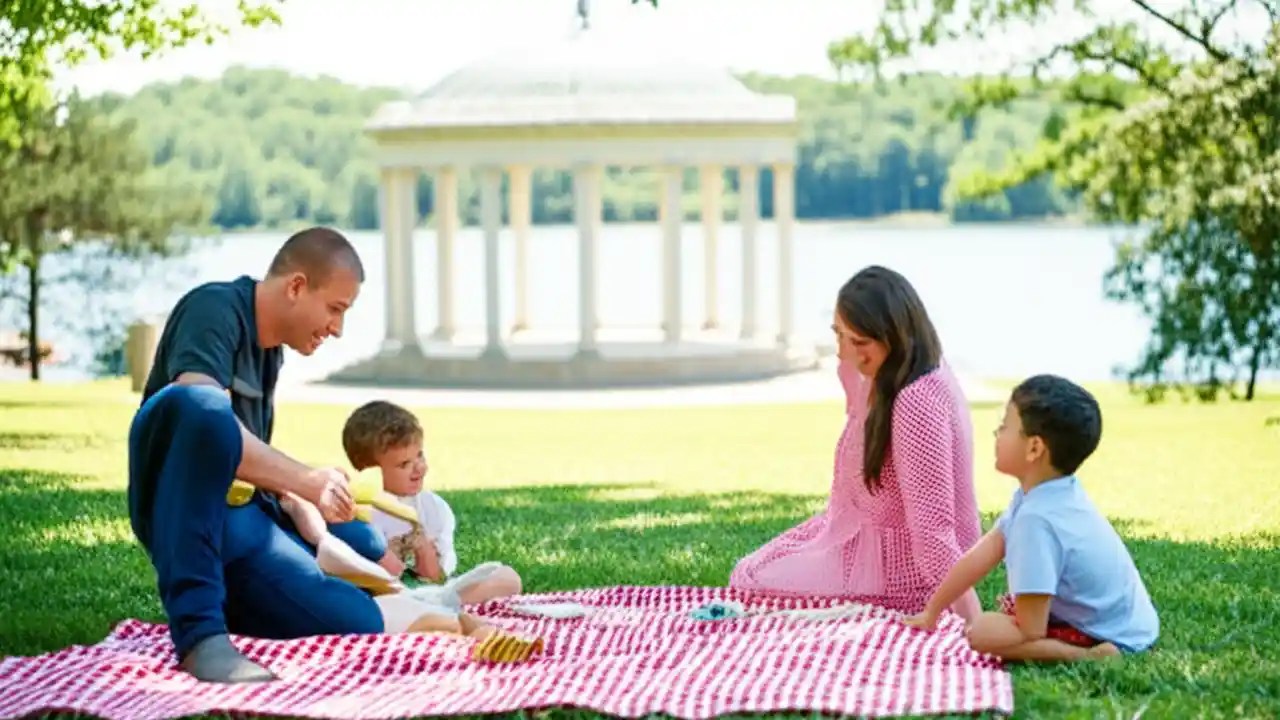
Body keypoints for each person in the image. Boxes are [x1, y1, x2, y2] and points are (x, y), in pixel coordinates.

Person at [127, 227, 386, 684]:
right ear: (296, 286)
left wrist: (297, 495)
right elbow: (205, 428)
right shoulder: (213, 308)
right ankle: (201, 637)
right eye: (335, 309)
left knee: (363, 545)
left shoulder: (270, 353)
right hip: (186, 505)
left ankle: (260, 592)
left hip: (245, 511)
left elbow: (245, 456)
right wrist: (304, 479)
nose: (338, 329)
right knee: (202, 405)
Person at [729, 265, 983, 621]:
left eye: (859, 342)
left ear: (896, 334)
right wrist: (856, 354)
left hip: (900, 574)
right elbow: (855, 400)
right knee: (759, 564)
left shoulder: (916, 401)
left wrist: (972, 621)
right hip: (870, 538)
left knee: (748, 579)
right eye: (839, 335)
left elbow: (934, 531)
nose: (844, 352)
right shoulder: (913, 367)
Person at [903, 375, 1159, 661]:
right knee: (990, 626)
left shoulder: (1037, 520)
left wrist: (997, 630)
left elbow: (1032, 629)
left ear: (1034, 448)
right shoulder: (1046, 493)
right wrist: (933, 610)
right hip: (1131, 621)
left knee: (982, 632)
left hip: (1112, 633)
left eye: (1004, 427)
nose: (996, 434)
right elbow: (981, 555)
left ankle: (1092, 656)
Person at [341, 399, 523, 607]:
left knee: (507, 577)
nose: (419, 468)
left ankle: (435, 606)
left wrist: (422, 545)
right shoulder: (358, 510)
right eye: (404, 464)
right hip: (382, 597)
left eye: (419, 455)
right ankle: (427, 610)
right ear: (370, 471)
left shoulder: (433, 509)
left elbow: (436, 578)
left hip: (430, 593)